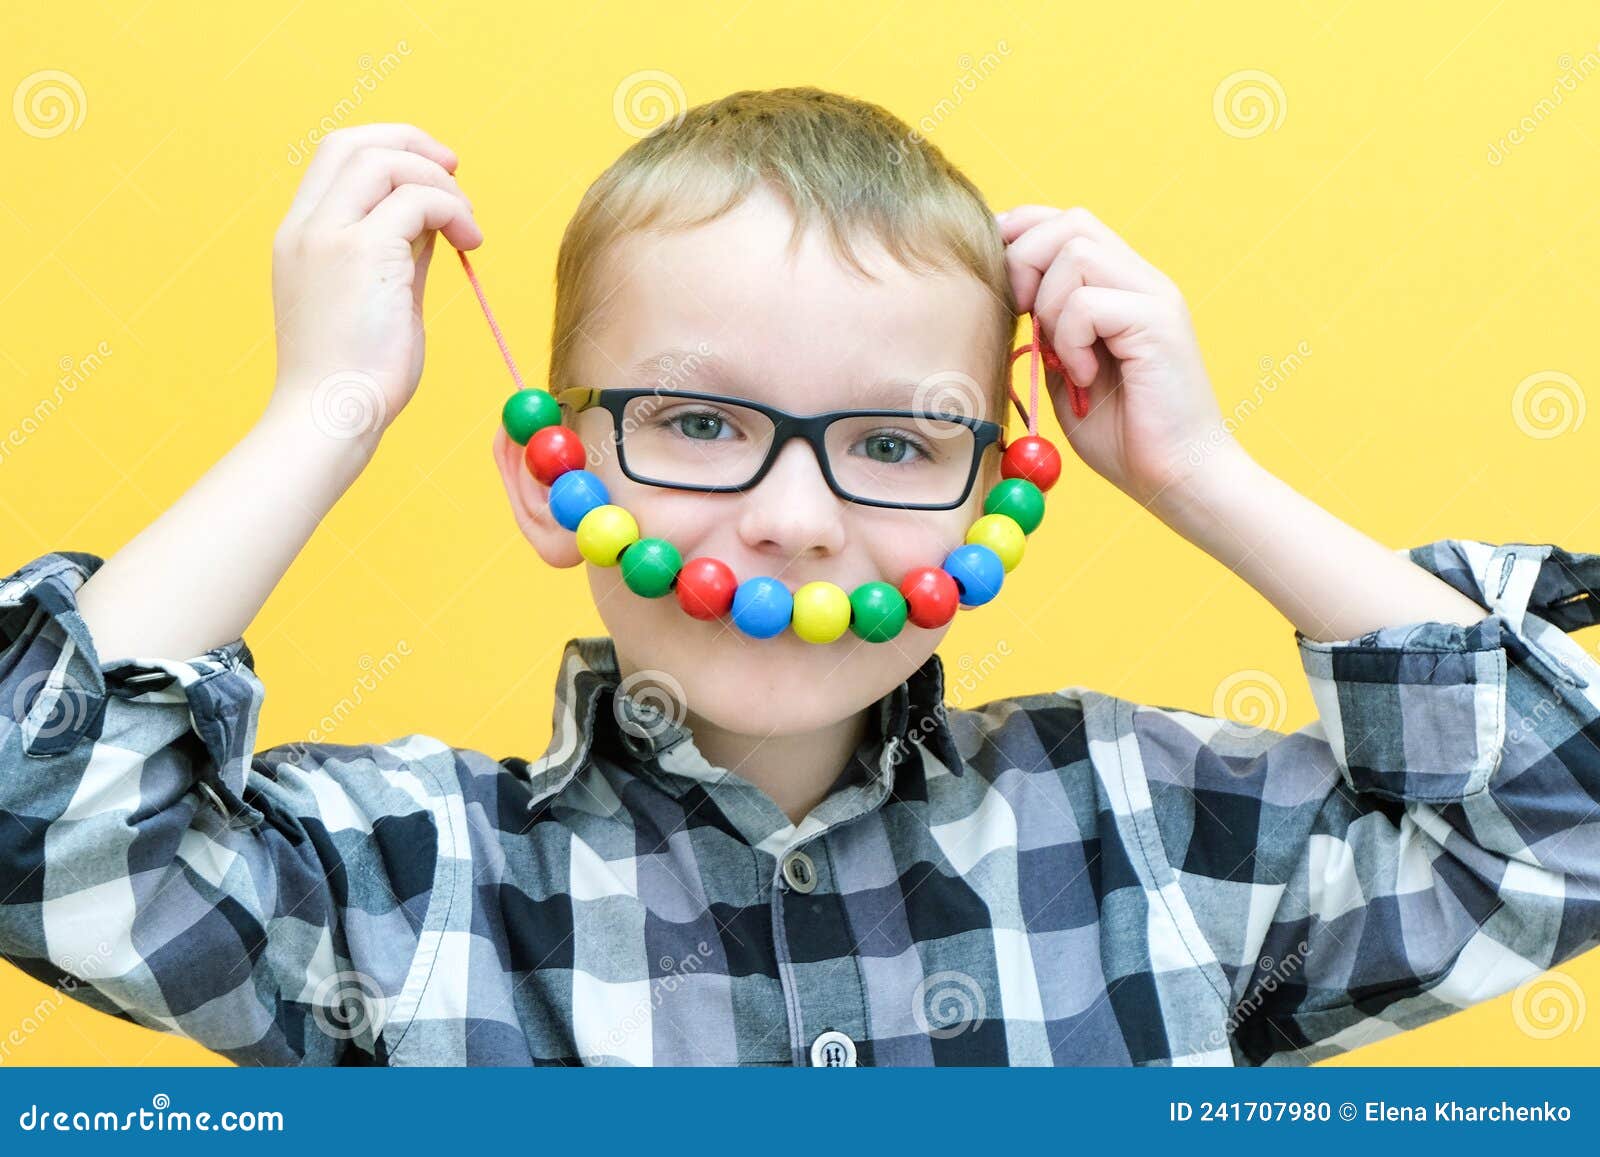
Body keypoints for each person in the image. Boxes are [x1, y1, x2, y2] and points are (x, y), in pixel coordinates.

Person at [2, 88, 1597, 1066]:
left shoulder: (1156, 841)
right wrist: (324, 411)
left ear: (995, 494)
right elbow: (32, 824)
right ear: (553, 478)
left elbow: (1564, 823)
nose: (794, 517)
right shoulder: (401, 888)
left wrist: (1204, 474)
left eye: (896, 442)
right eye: (699, 423)